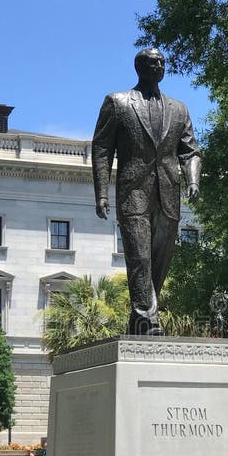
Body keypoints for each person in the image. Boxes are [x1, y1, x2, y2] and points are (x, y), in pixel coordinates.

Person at [92, 48, 201, 334]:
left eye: (163, 62)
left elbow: (190, 152)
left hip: (168, 193)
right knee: (139, 256)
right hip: (133, 192)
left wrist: (192, 181)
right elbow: (102, 149)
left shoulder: (179, 109)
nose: (160, 66)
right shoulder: (117, 103)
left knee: (159, 260)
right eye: (154, 62)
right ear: (139, 67)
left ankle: (140, 317)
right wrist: (101, 193)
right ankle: (147, 318)